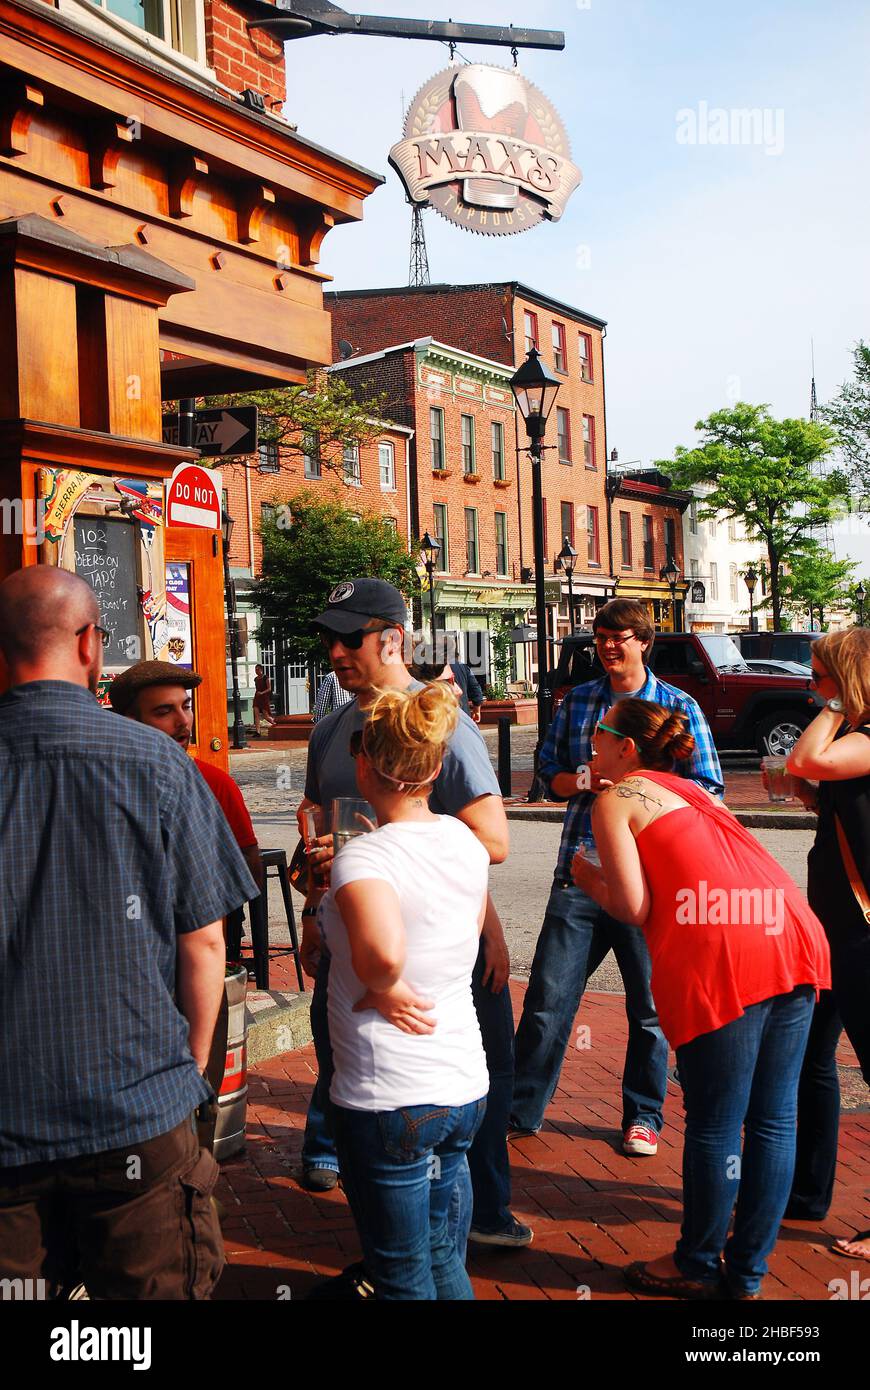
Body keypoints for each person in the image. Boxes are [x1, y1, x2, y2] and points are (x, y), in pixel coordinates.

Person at [0, 567, 256, 1299]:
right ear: (89, 645)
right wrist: (189, 1079)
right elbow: (206, 944)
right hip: (135, 1110)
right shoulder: (160, 766)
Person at [298, 578, 530, 1261]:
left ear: (392, 638)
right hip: (354, 940)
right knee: (354, 1072)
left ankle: (480, 1218)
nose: (336, 652)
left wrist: (488, 932)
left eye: (351, 638)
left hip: (438, 948)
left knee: (464, 1077)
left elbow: (489, 839)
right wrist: (316, 910)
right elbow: (318, 816)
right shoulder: (333, 728)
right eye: (329, 639)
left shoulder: (436, 722)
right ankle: (398, 1228)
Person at [571, 698, 830, 1299]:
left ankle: (696, 1262)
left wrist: (587, 878)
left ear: (627, 747)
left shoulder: (618, 796)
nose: (592, 747)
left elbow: (633, 907)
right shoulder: (697, 793)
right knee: (773, 1120)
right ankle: (746, 1275)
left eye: (599, 735)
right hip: (792, 936)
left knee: (716, 1122)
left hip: (729, 952)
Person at [511, 598, 724, 1156]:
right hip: (579, 872)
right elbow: (547, 777)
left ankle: (643, 1116)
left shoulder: (677, 706)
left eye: (621, 637)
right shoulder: (580, 701)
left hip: (648, 880)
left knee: (650, 1009)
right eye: (602, 636)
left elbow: (709, 790)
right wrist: (583, 782)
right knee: (548, 999)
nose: (609, 646)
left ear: (643, 642)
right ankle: (520, 1109)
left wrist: (639, 795)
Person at [322, 681, 489, 1299]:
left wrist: (384, 982)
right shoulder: (463, 840)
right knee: (443, 1250)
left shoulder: (363, 859)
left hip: (390, 1091)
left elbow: (384, 953)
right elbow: (464, 931)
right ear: (435, 766)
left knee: (398, 1272)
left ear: (365, 764)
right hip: (460, 1080)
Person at [108, 660, 264, 1132]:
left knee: (208, 1045)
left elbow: (248, 864)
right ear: (130, 721)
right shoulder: (109, 782)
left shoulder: (214, 780)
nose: (182, 722)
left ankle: (205, 1128)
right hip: (138, 968)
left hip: (204, 945)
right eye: (164, 711)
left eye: (186, 707)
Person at [784, 627, 870, 1261]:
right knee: (814, 1055)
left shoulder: (864, 736)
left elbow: (805, 758)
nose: (811, 690)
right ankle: (808, 1191)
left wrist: (837, 704)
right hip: (834, 925)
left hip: (863, 931)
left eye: (819, 677)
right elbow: (823, 785)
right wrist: (809, 796)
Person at [252, 663, 275, 737]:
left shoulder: (265, 678)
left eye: (258, 669)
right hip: (257, 697)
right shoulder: (255, 679)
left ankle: (275, 724)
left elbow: (269, 688)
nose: (256, 671)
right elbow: (257, 688)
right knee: (256, 715)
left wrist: (262, 693)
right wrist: (258, 693)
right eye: (255, 669)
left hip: (264, 697)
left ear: (261, 670)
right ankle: (258, 732)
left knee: (265, 716)